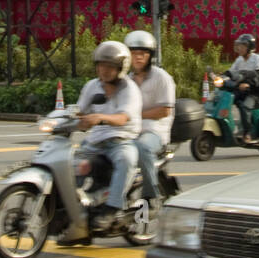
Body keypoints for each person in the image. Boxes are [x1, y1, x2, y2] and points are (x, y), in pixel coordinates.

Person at [57, 40, 141, 245]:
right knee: (68, 166)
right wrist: (61, 119)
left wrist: (100, 118)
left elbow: (123, 118)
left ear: (121, 68)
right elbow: (80, 111)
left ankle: (112, 208)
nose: (104, 70)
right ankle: (75, 217)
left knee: (127, 160)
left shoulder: (129, 89)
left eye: (109, 66)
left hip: (121, 140)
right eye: (101, 65)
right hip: (95, 142)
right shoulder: (92, 86)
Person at [125, 30, 176, 216]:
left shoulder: (161, 78)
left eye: (142, 54)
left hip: (155, 132)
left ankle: (149, 195)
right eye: (133, 53)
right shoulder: (126, 80)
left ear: (150, 56)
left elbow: (165, 110)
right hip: (131, 131)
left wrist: (136, 115)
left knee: (142, 147)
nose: (138, 58)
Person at [226, 33, 259, 143]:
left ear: (250, 47)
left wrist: (249, 84)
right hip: (241, 89)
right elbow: (231, 71)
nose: (239, 48)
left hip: (255, 91)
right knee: (226, 99)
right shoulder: (239, 59)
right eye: (239, 45)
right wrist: (220, 76)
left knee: (244, 106)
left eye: (243, 45)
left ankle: (247, 133)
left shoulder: (258, 59)